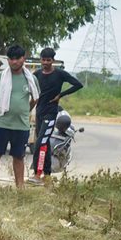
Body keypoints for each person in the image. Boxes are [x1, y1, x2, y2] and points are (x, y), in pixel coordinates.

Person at [0, 45, 39, 190]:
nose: (14, 62)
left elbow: (35, 98)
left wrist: (25, 111)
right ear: (8, 60)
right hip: (1, 124)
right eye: (11, 59)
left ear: (23, 59)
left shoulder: (31, 79)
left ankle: (20, 188)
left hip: (21, 126)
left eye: (17, 59)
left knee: (19, 157)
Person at [30, 47, 83, 184]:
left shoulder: (60, 74)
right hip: (39, 112)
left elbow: (78, 85)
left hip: (51, 113)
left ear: (53, 60)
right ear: (40, 60)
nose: (46, 62)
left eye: (48, 60)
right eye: (43, 60)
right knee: (44, 143)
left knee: (41, 142)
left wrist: (61, 95)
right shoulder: (37, 75)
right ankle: (47, 175)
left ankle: (37, 174)